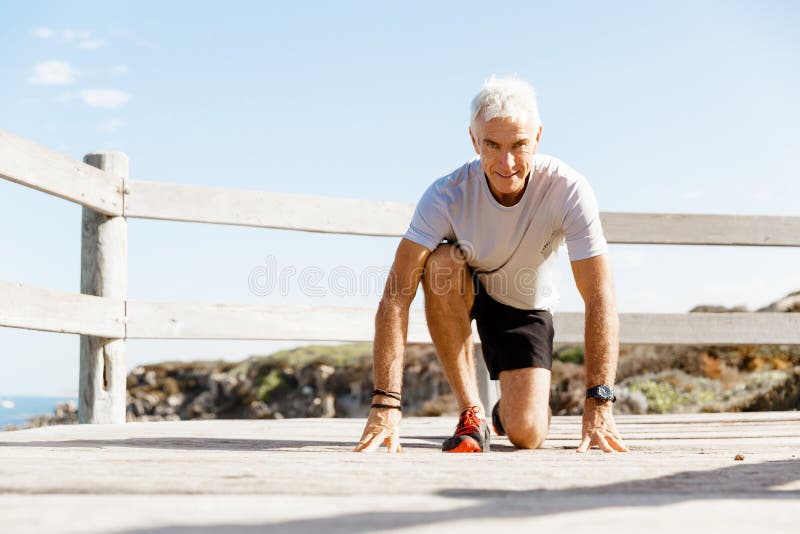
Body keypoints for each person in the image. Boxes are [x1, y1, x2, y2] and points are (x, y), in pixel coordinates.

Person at [353, 75, 629, 454]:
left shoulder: (568, 189)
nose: (506, 163)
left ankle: (508, 410)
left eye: (519, 145)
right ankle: (472, 412)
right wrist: (386, 404)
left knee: (527, 434)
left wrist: (599, 403)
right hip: (465, 285)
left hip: (524, 306)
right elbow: (395, 297)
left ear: (538, 137)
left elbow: (600, 297)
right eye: (491, 145)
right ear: (473, 140)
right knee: (441, 262)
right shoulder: (445, 195)